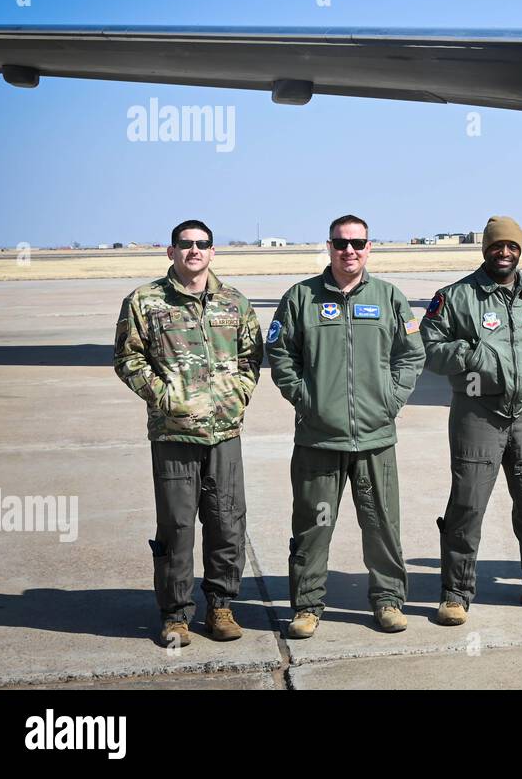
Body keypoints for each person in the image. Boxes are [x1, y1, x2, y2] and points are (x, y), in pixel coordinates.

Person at [267, 214, 425, 638]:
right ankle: (306, 606)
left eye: (357, 242)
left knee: (381, 525)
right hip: (319, 439)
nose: (349, 250)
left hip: (375, 438)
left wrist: (391, 401)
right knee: (314, 526)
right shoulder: (302, 298)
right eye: (341, 243)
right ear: (329, 246)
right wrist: (306, 398)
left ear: (369, 247)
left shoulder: (390, 297)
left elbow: (412, 354)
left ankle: (388, 600)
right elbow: (280, 356)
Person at [421, 215, 522, 625]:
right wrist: (474, 357)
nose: (504, 253)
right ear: (485, 250)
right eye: (496, 246)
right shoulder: (456, 297)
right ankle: (456, 593)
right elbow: (430, 344)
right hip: (477, 412)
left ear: (520, 250)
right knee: (468, 505)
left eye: (511, 246)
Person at [114, 219, 262, 647]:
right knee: (177, 526)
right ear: (171, 252)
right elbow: (128, 358)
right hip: (174, 435)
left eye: (202, 244)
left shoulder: (234, 302)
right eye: (186, 244)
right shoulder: (145, 301)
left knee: (227, 523)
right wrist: (164, 397)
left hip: (224, 433)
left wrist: (237, 397)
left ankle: (221, 607)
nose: (194, 251)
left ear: (213, 252)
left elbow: (252, 357)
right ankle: (176, 614)